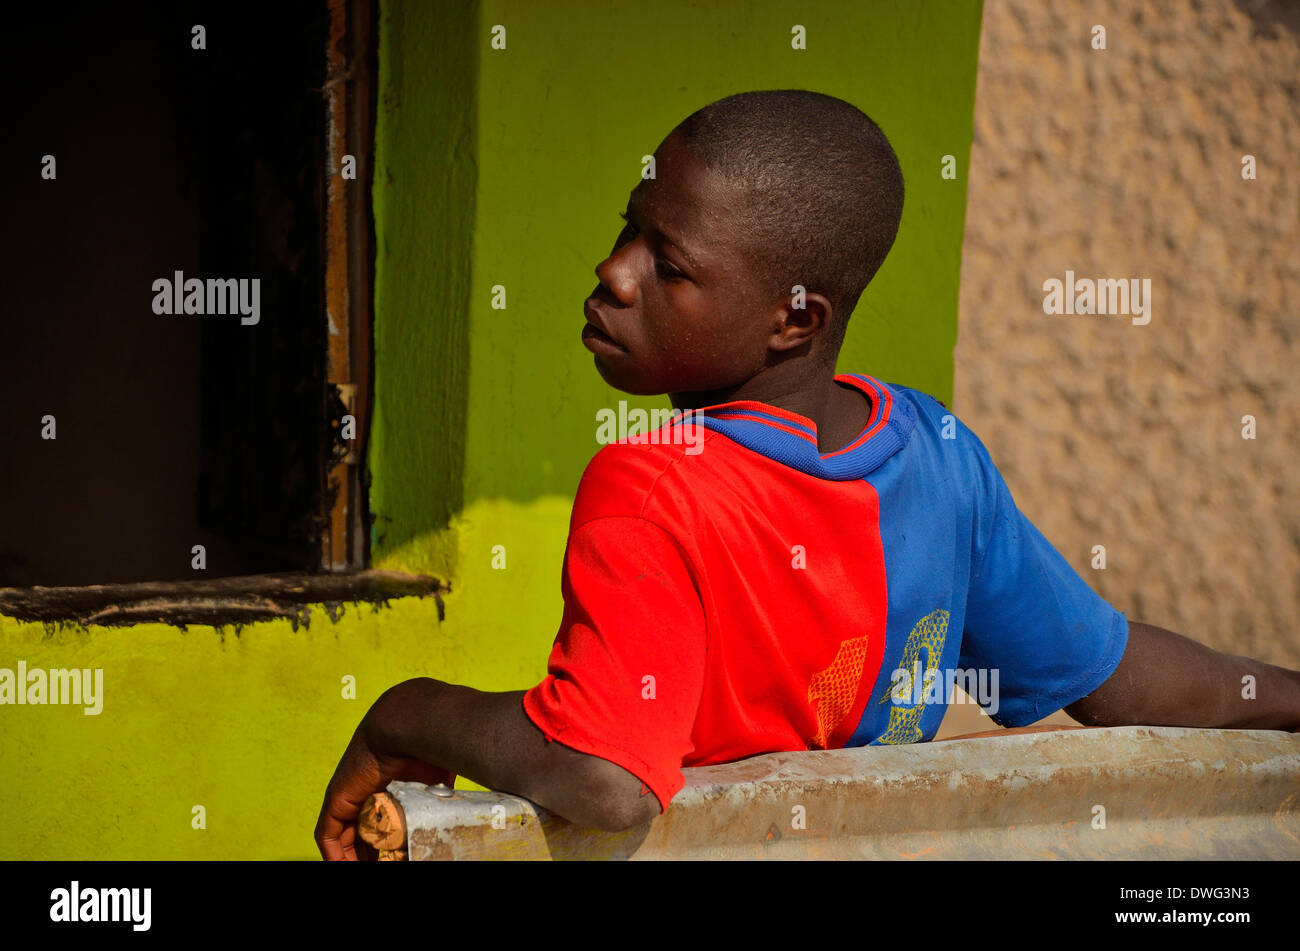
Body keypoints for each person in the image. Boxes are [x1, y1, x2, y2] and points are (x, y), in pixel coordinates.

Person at [315, 90, 1300, 860]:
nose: (614, 272)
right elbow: (1121, 683)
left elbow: (603, 780)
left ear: (795, 319)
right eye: (628, 230)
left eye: (669, 263)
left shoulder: (653, 481)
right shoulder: (935, 450)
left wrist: (405, 712)